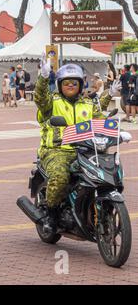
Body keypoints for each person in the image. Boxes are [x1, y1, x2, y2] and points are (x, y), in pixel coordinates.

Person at [35, 56, 120, 233]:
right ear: (59, 85)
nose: (71, 86)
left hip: (86, 149)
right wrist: (43, 79)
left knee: (109, 170)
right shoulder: (52, 102)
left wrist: (119, 133)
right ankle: (51, 214)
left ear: (81, 85)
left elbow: (100, 120)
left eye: (75, 83)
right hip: (57, 150)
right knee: (60, 177)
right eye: (67, 83)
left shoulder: (87, 103)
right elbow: (40, 99)